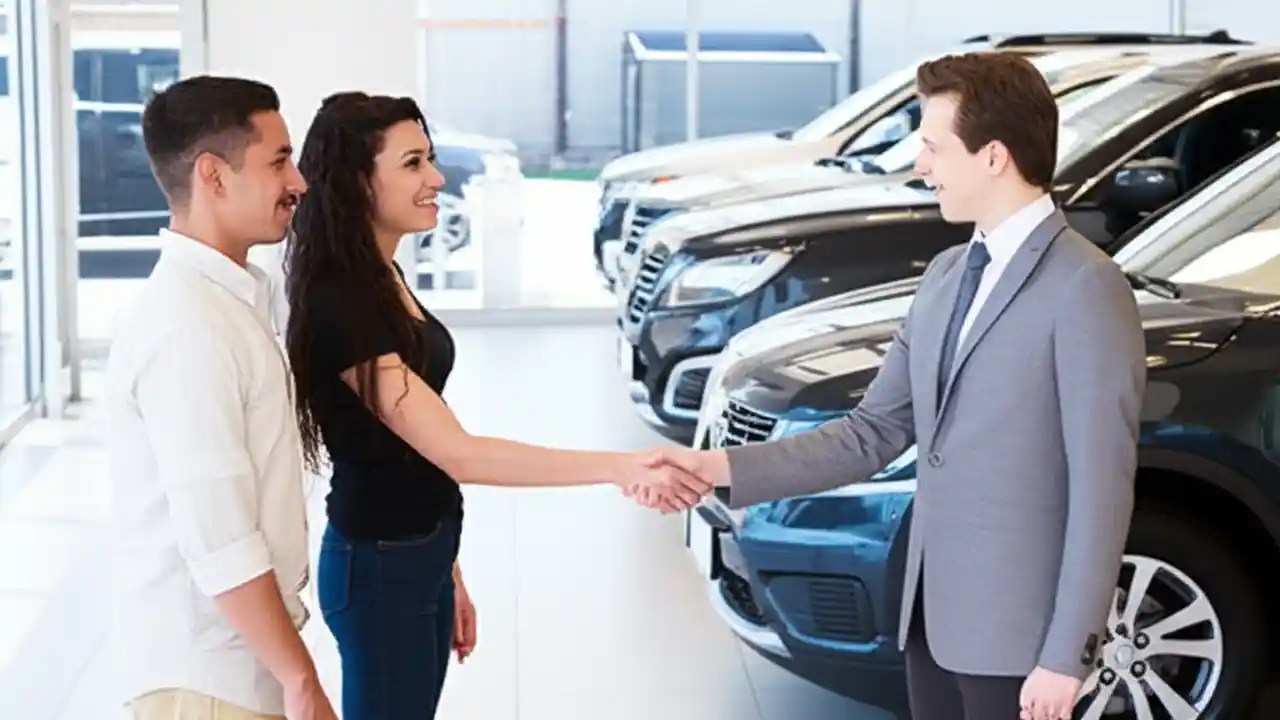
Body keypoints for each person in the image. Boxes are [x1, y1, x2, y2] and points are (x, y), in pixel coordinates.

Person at [641, 52, 1146, 720]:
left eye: (933, 147)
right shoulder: (945, 274)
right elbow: (871, 432)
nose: (920, 164)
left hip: (1020, 644)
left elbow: (1101, 485)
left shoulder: (1086, 287)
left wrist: (1067, 654)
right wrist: (712, 467)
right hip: (930, 623)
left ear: (993, 156)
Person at [281, 91, 710, 719]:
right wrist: (620, 467)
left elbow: (411, 456)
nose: (436, 178)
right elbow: (457, 452)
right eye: (412, 164)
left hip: (415, 552)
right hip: (378, 570)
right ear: (355, 182)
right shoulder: (341, 301)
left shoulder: (380, 275)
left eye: (429, 159)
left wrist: (446, 569)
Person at [105, 76, 337, 720]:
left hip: (235, 668)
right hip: (210, 678)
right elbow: (221, 540)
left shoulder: (225, 303)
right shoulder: (188, 326)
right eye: (278, 161)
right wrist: (301, 679)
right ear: (213, 175)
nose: (299, 183)